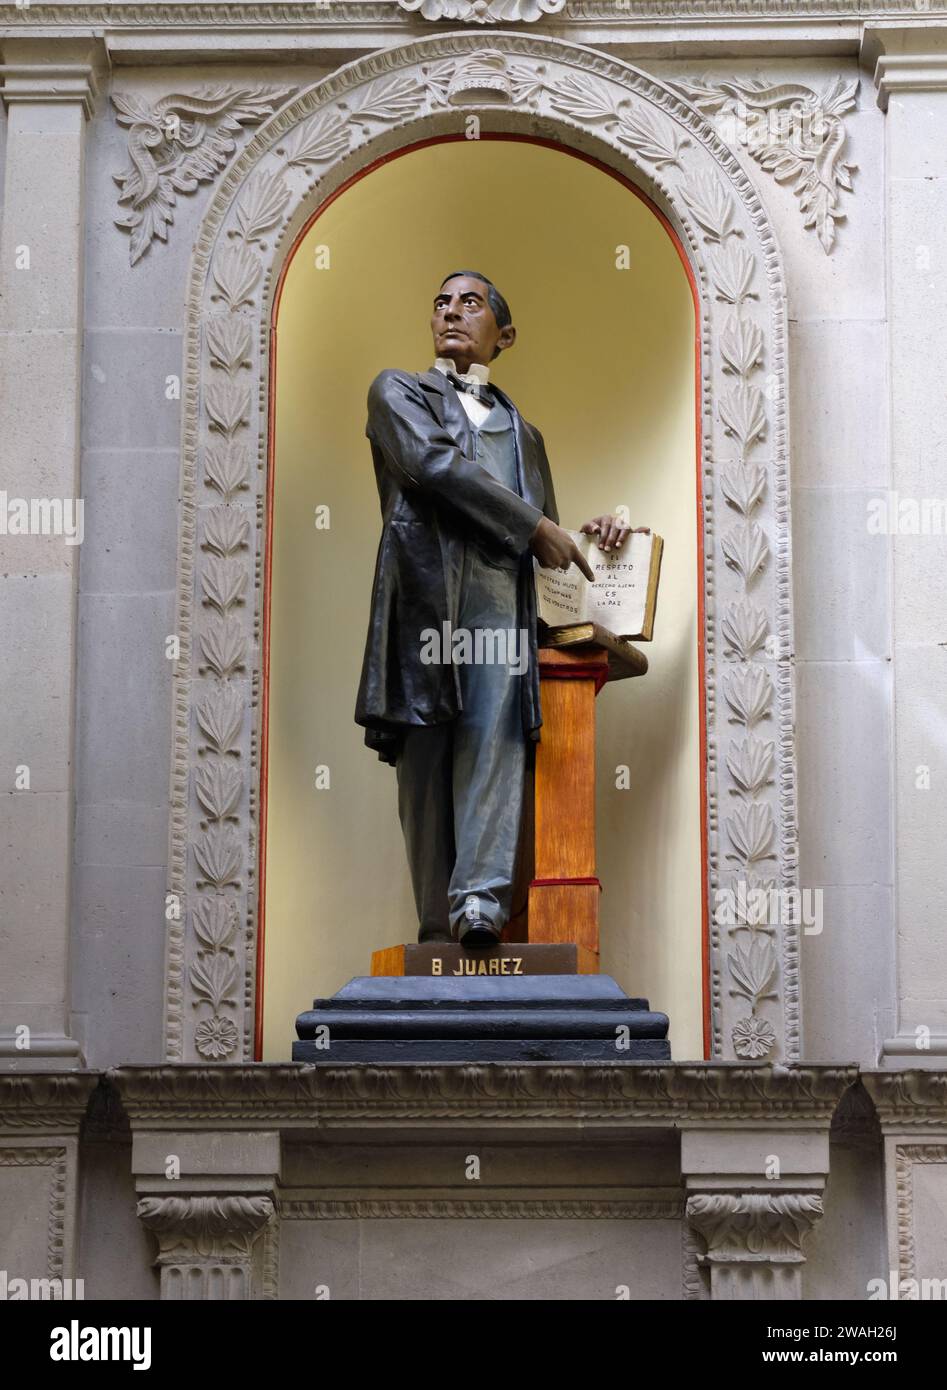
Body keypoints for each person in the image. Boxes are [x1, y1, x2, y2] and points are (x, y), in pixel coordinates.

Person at [355, 270, 633, 946]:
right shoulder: (398, 390)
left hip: (501, 607)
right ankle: (434, 922)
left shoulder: (525, 435)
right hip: (425, 600)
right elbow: (431, 466)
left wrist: (590, 542)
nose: (450, 311)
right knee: (424, 759)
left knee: (493, 745)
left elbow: (550, 545)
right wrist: (536, 528)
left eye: (469, 302)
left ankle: (479, 903)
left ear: (502, 334)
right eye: (441, 302)